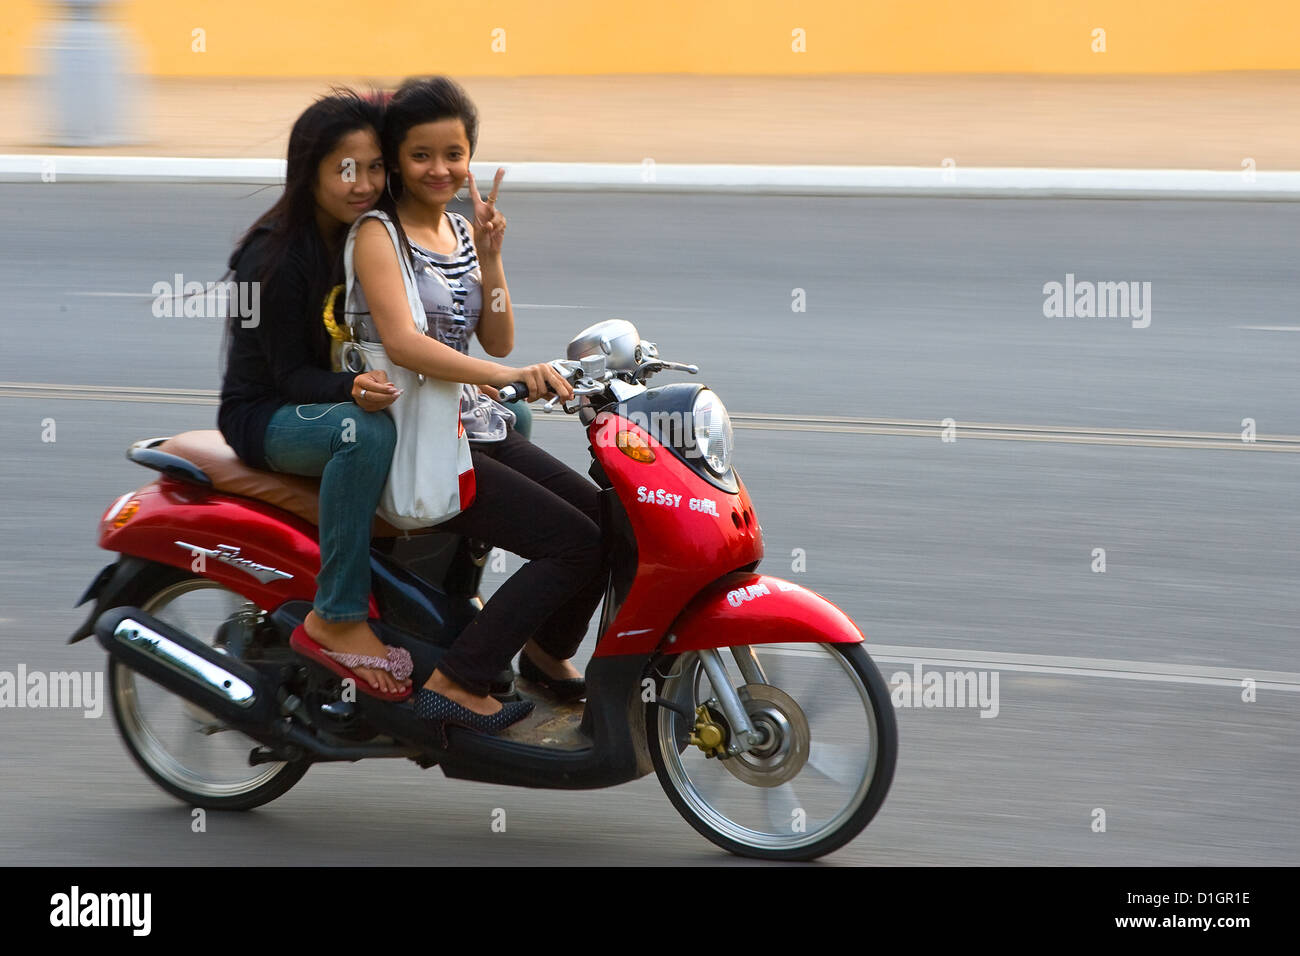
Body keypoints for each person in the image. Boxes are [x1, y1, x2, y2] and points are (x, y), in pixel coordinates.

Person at [351, 75, 606, 734]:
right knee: (572, 546)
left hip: (473, 424)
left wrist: (491, 258)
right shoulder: (380, 235)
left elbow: (494, 333)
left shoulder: (458, 232)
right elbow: (405, 344)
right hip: (418, 434)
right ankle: (458, 681)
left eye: (454, 153)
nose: (441, 169)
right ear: (396, 161)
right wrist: (506, 373)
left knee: (608, 524)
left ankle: (547, 655)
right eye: (422, 155)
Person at [219, 90, 413, 699]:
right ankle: (339, 615)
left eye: (376, 167)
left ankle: (434, 595)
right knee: (365, 432)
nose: (364, 183)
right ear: (311, 173)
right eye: (346, 169)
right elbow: (286, 376)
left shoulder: (369, 237)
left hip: (333, 392)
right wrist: (351, 389)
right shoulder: (274, 258)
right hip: (267, 412)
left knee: (496, 420)